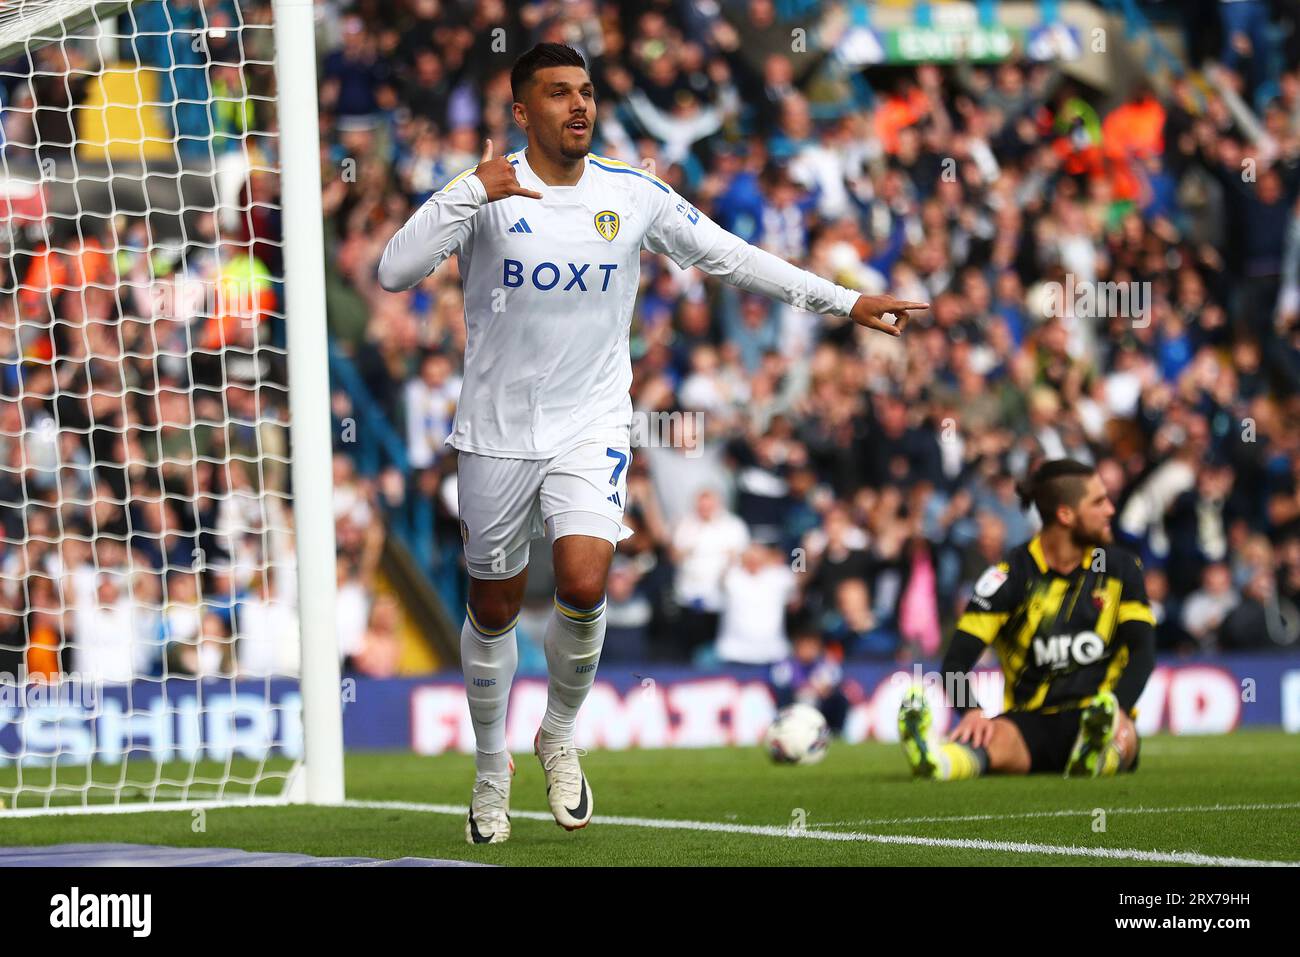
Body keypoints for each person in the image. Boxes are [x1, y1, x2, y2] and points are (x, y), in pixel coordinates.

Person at [378, 42, 927, 844]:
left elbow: (731, 258)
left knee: (585, 579)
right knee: (492, 604)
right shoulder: (485, 194)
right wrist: (463, 191)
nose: (579, 106)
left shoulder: (630, 194)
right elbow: (396, 272)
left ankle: (558, 735)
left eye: (587, 92)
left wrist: (844, 302)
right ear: (521, 111)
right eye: (559, 93)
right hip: (495, 429)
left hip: (592, 422)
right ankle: (490, 765)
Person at [898, 459, 1156, 780]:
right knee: (989, 738)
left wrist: (1118, 707)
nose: (1110, 511)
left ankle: (1096, 750)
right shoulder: (1009, 576)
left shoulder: (1120, 568)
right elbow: (955, 663)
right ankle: (939, 761)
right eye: (1099, 502)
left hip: (1099, 714)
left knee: (1123, 736)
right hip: (1029, 725)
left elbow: (1143, 653)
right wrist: (972, 711)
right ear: (1066, 515)